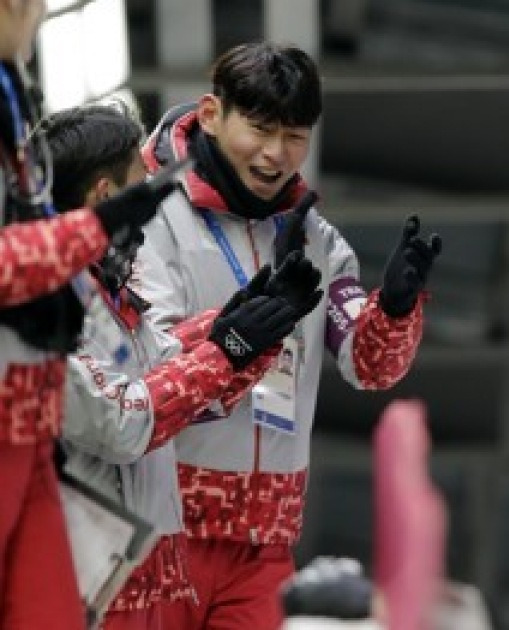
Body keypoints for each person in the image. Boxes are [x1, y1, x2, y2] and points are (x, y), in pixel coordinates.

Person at [130, 41, 441, 629]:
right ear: (213, 114)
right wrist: (237, 332)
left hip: (264, 542)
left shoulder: (317, 242)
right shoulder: (151, 217)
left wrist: (397, 309)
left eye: (295, 134)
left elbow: (368, 365)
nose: (277, 153)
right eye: (261, 127)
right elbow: (147, 368)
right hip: (160, 525)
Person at [44, 104, 323, 630]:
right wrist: (227, 348)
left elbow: (167, 371)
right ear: (106, 196)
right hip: (89, 591)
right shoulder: (45, 307)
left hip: (144, 579)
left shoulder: (111, 299)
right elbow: (122, 419)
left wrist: (240, 324)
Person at [0, 3, 177, 628]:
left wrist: (228, 341)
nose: (35, 10)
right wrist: (88, 234)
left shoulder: (12, 104)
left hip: (29, 427)